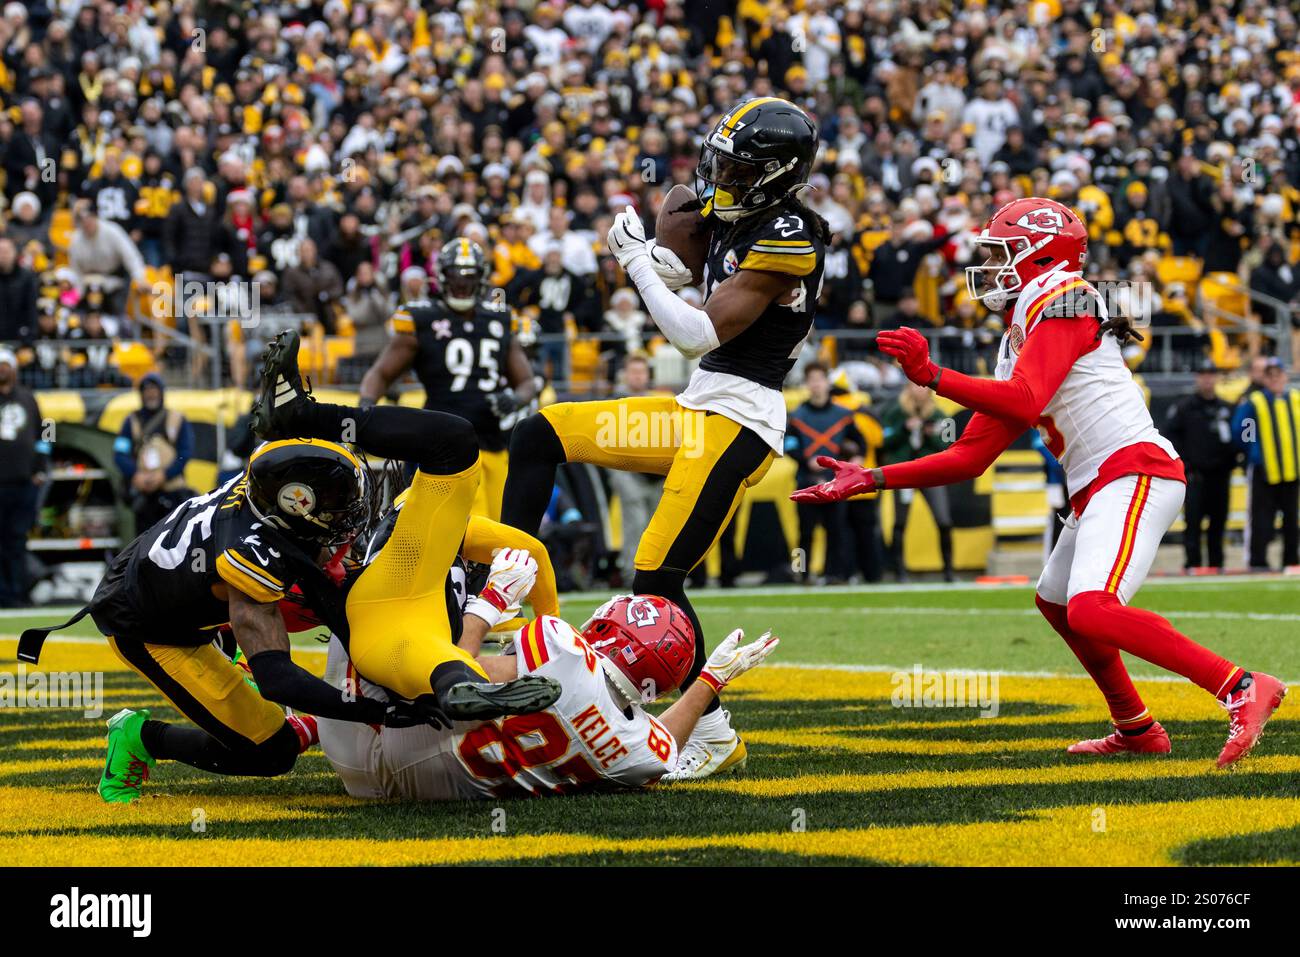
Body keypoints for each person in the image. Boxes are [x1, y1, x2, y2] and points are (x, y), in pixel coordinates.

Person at [795, 196, 1286, 768]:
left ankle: (1241, 685)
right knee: (1056, 602)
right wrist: (872, 477)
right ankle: (1136, 727)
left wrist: (933, 377)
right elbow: (970, 457)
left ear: (1038, 255)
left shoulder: (1066, 297)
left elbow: (1027, 401)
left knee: (1091, 608)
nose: (993, 267)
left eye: (1003, 253)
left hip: (1135, 469)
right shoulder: (1023, 329)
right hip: (1102, 481)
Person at [50, 332, 560, 803]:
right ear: (294, 509)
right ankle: (139, 736)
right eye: (338, 513)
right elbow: (279, 676)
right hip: (150, 625)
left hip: (189, 577)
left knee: (355, 615)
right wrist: (376, 711)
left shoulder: (274, 491)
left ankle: (255, 663)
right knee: (271, 750)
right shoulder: (251, 557)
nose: (350, 522)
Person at [504, 97, 826, 780]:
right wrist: (663, 255)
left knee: (656, 577)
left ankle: (711, 731)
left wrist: (639, 266)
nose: (723, 178)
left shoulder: (793, 232)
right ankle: (500, 603)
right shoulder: (730, 217)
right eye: (723, 162)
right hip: (695, 404)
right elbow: (688, 254)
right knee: (540, 433)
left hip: (741, 417)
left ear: (775, 174)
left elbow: (697, 332)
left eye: (739, 168)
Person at [319, 593, 778, 799]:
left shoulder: (563, 650)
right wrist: (710, 681)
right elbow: (668, 740)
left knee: (402, 604)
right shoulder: (642, 753)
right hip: (423, 791)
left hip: (364, 743)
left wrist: (488, 603)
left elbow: (452, 671)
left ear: (605, 628)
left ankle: (302, 718)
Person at [360, 240, 536, 521]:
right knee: (449, 531)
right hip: (442, 444)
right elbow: (381, 373)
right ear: (442, 277)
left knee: (501, 532)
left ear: (481, 279)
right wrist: (365, 410)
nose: (462, 285)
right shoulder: (421, 318)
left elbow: (526, 381)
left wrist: (515, 399)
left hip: (491, 443)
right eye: (456, 277)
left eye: (469, 278)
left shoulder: (500, 318)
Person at [786, 362, 865, 583]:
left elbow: (861, 443)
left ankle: (836, 575)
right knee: (805, 532)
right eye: (812, 380)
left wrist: (856, 461)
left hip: (836, 483)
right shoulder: (797, 416)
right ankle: (801, 573)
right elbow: (788, 446)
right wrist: (806, 460)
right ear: (806, 384)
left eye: (820, 380)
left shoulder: (844, 414)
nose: (816, 385)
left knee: (837, 531)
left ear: (827, 383)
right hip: (806, 481)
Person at [879, 380, 955, 581]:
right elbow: (884, 441)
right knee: (901, 522)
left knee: (943, 520)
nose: (920, 390)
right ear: (908, 388)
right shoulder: (897, 411)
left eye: (924, 386)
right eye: (915, 385)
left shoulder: (938, 414)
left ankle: (948, 570)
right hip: (905, 474)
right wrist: (904, 429)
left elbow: (951, 445)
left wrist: (931, 435)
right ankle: (899, 571)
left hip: (930, 474)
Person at [1165, 362, 1237, 571]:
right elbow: (1170, 438)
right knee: (1193, 523)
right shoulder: (1183, 408)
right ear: (1198, 378)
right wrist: (1184, 466)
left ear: (1217, 378)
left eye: (1211, 375)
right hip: (1195, 476)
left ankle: (1217, 563)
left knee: (1218, 523)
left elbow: (1243, 434)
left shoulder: (1227, 408)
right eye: (1203, 375)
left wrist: (1234, 461)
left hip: (1220, 476)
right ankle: (1193, 563)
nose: (1207, 379)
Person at [1232, 357, 1300, 571]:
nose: (1275, 379)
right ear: (1265, 379)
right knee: (1261, 519)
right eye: (1270, 376)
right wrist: (1256, 452)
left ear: (1284, 376)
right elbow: (1242, 430)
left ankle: (1291, 560)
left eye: (1278, 374)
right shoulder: (1256, 401)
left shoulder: (1296, 399)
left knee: (1292, 520)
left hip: (1292, 469)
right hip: (1264, 470)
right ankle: (1258, 561)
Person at [606, 353, 666, 585]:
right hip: (627, 470)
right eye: (634, 372)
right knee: (635, 523)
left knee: (657, 526)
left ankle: (656, 574)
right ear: (625, 375)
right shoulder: (616, 402)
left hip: (654, 471)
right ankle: (633, 575)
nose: (638, 376)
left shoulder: (659, 402)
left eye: (641, 372)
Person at [112, 373, 195, 534]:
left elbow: (185, 453)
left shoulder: (177, 419)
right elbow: (119, 454)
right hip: (144, 495)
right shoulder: (131, 421)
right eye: (147, 390)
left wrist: (164, 475)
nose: (151, 394)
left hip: (172, 492)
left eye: (154, 389)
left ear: (161, 392)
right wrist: (136, 475)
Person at [0, 347, 48, 607]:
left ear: (14, 368)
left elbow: (46, 430)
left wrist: (41, 467)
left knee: (17, 540)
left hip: (22, 482)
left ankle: (17, 593)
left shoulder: (28, 399)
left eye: (6, 364)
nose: (2, 369)